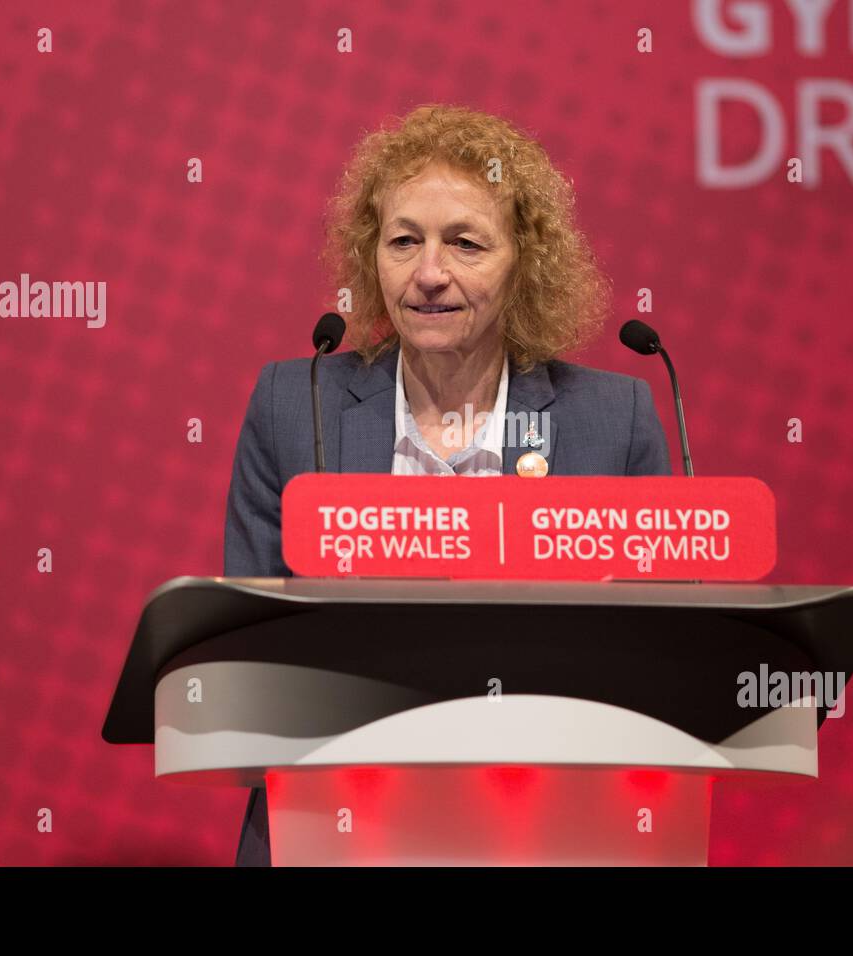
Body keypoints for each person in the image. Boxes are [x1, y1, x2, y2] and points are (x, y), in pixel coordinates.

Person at [224, 103, 671, 865]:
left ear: (523, 262)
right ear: (372, 256)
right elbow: (244, 658)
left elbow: (661, 655)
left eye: (465, 243)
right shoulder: (294, 406)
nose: (430, 274)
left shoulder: (612, 419)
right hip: (330, 824)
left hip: (551, 828)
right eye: (403, 241)